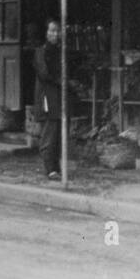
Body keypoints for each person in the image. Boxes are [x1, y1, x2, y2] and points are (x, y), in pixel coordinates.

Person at [33, 19, 78, 181]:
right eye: (51, 31)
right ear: (46, 33)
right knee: (50, 133)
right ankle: (50, 168)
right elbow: (45, 74)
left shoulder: (62, 52)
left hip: (61, 97)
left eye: (58, 31)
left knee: (61, 132)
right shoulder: (40, 52)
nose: (55, 34)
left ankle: (56, 167)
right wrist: (65, 82)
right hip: (48, 96)